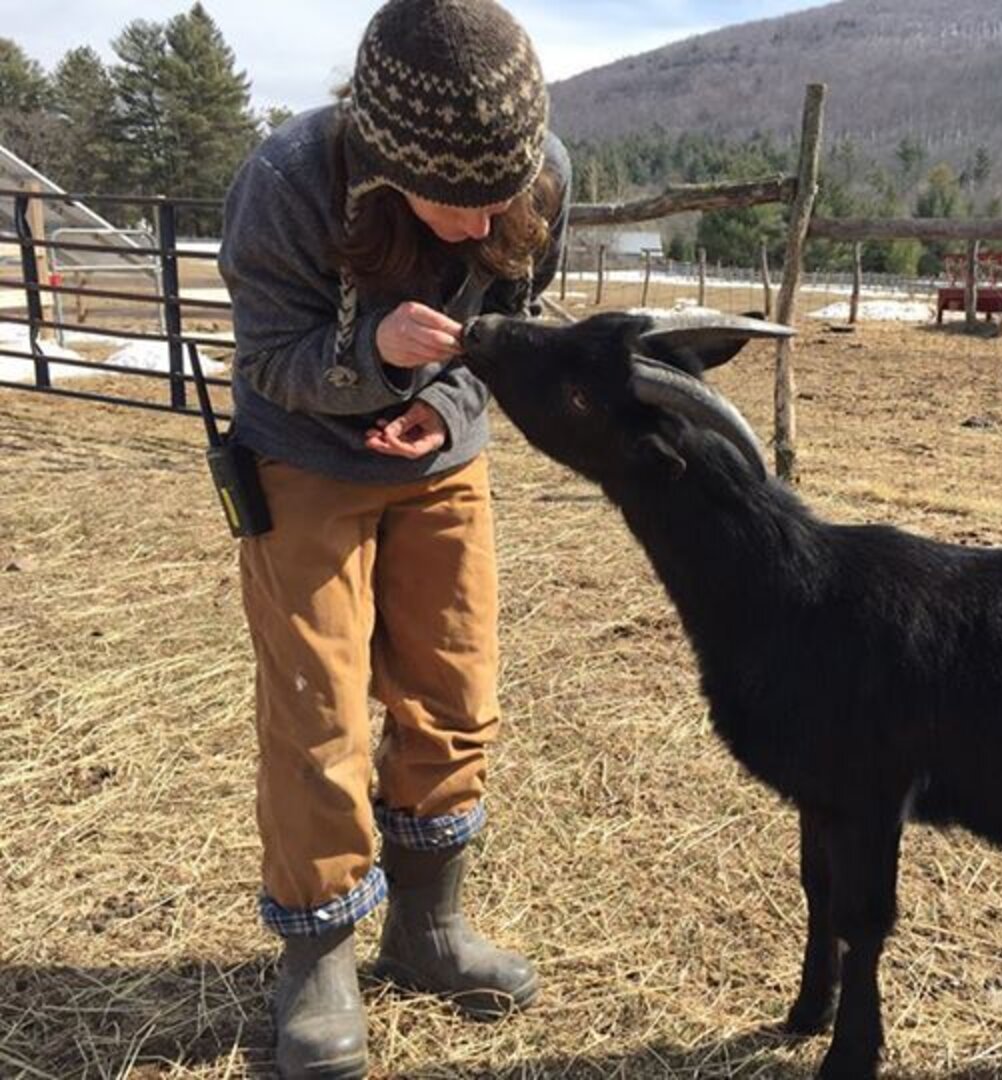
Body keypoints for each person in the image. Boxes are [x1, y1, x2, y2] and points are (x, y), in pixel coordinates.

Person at [216, 1, 569, 1075]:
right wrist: (371, 350)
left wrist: (443, 404)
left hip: (441, 458)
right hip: (303, 458)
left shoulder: (539, 172)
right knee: (318, 707)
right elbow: (269, 352)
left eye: (499, 200)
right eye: (453, 204)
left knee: (457, 689)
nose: (479, 227)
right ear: (383, 160)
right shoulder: (287, 184)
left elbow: (511, 327)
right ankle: (318, 953)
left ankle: (426, 931)